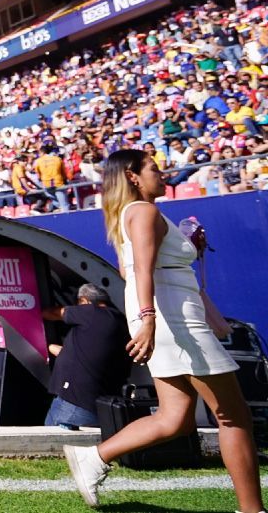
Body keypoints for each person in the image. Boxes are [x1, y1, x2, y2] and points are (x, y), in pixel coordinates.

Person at [65, 149, 262, 512]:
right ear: (133, 176)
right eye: (153, 168)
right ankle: (252, 510)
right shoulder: (143, 211)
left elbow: (135, 271)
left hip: (168, 318)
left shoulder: (131, 214)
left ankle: (94, 457)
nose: (162, 173)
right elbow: (141, 270)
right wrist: (149, 319)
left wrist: (186, 250)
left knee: (176, 418)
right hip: (171, 320)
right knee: (233, 416)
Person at [41, 283, 130, 429]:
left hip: (74, 405)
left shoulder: (91, 312)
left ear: (84, 301)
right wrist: (50, 347)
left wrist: (28, 312)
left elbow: (53, 313)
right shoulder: (119, 321)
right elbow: (90, 356)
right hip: (104, 407)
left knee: (53, 442)